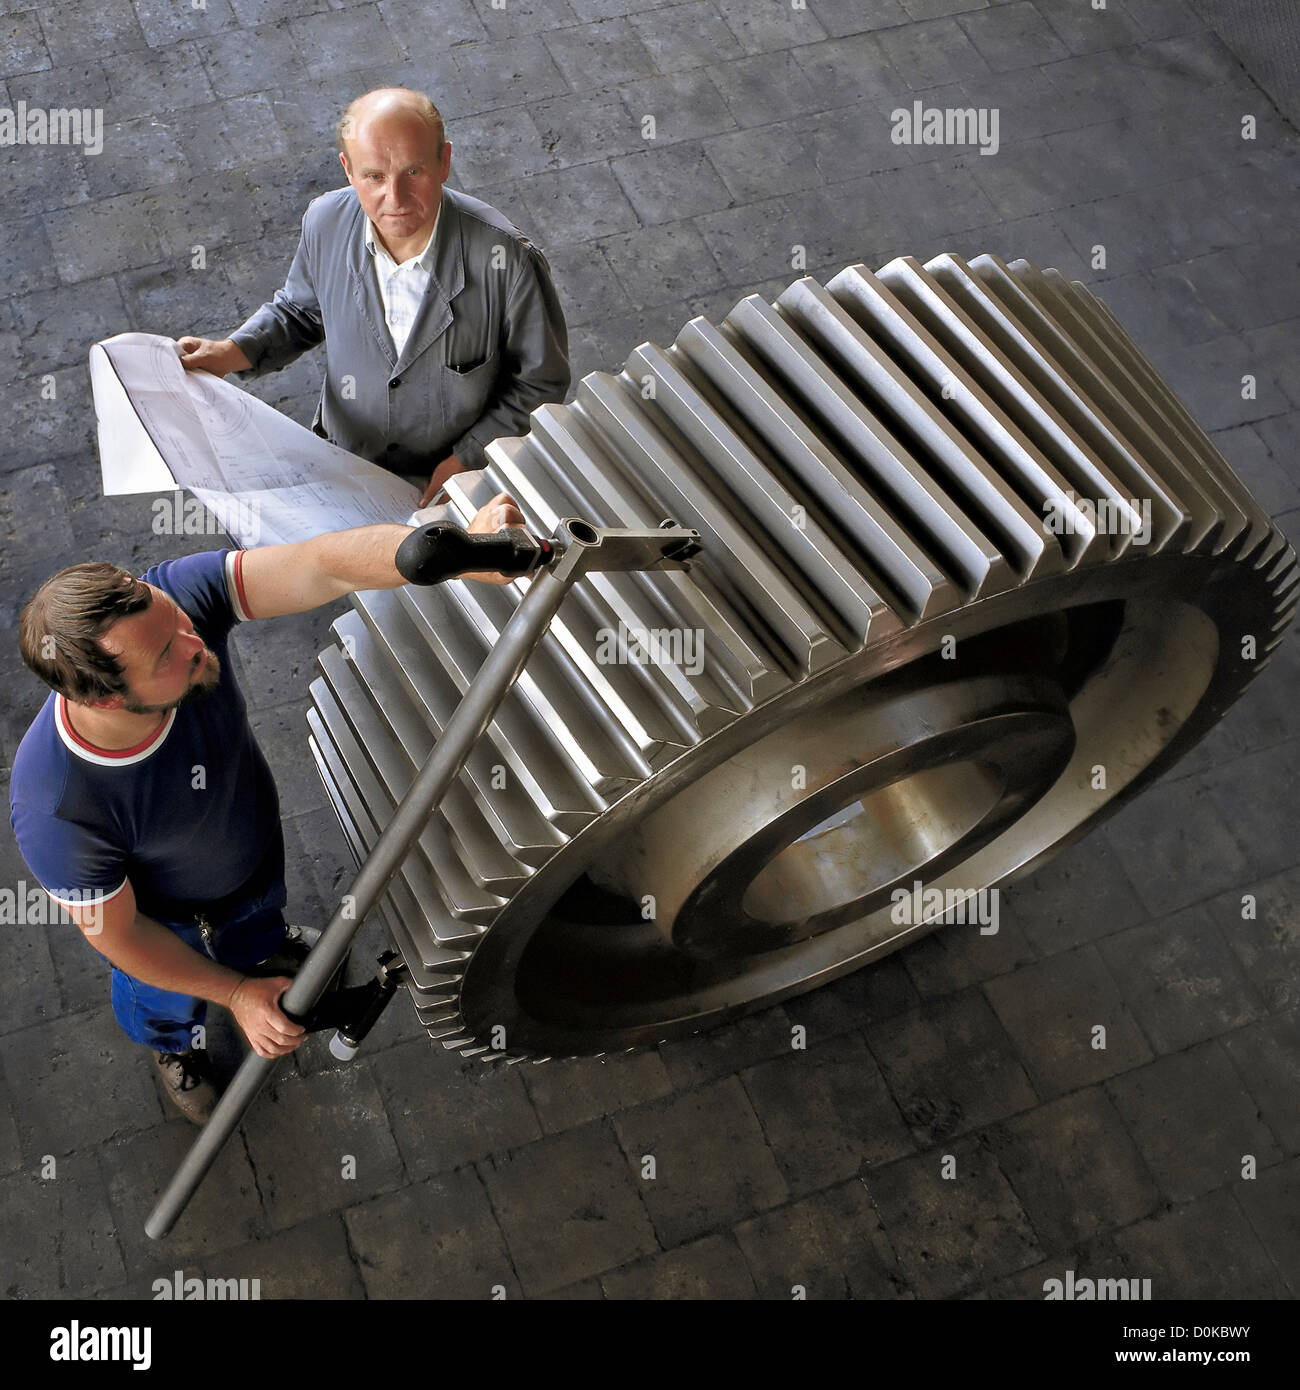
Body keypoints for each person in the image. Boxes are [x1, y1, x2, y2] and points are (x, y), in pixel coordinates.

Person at [8, 495, 526, 1124]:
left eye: (173, 618)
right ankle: (176, 1049)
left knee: (258, 927)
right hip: (162, 924)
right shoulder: (58, 807)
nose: (192, 640)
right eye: (165, 657)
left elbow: (322, 564)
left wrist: (450, 556)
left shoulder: (171, 603)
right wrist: (238, 996)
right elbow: (119, 937)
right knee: (161, 999)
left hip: (248, 853)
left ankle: (262, 944)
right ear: (109, 702)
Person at [174, 87, 570, 508]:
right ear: (347, 169)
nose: (394, 199)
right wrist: (231, 351)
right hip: (339, 463)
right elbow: (300, 313)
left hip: (443, 489)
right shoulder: (324, 221)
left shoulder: (508, 260)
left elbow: (539, 381)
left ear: (445, 162)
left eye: (413, 172)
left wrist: (467, 458)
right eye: (374, 176)